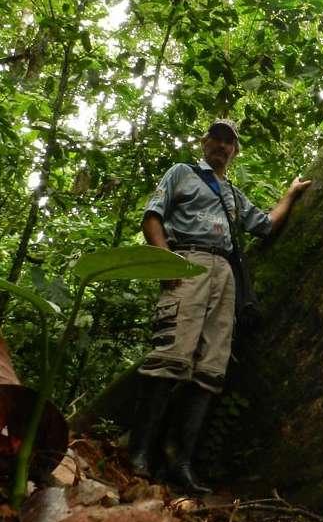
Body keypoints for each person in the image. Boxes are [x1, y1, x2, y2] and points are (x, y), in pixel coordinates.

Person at [128, 118, 311, 493]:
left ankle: (180, 463)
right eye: (217, 138)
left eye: (229, 142)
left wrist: (290, 195)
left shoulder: (232, 194)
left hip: (225, 278)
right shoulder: (182, 172)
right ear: (204, 141)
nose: (222, 146)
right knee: (171, 356)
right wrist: (165, 263)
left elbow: (264, 224)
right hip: (187, 263)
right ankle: (139, 454)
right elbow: (152, 218)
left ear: (235, 151)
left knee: (211, 369)